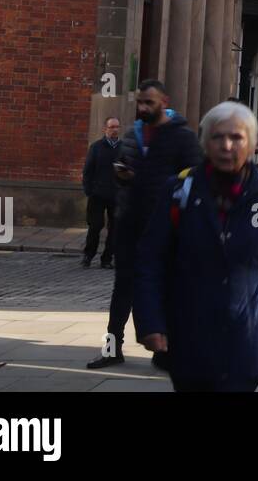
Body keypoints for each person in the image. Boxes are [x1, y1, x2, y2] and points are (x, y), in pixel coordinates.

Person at [135, 101, 258, 392]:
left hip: (246, 335)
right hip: (188, 334)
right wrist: (149, 321)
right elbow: (149, 260)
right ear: (205, 142)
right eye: (218, 137)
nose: (227, 145)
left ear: (252, 143)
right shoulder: (178, 190)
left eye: (236, 137)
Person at [88, 79, 202, 370]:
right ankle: (112, 348)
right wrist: (121, 176)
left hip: (165, 226)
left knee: (166, 289)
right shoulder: (132, 135)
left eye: (148, 102)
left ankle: (165, 350)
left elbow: (195, 179)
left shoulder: (182, 137)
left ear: (164, 101)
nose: (142, 107)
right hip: (129, 223)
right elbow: (122, 171)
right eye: (140, 102)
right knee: (122, 288)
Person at [81, 118, 121, 269]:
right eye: (111, 127)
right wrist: (89, 190)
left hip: (116, 195)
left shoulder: (123, 148)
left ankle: (107, 258)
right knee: (95, 226)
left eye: (117, 127)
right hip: (98, 194)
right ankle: (88, 255)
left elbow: (127, 172)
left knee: (115, 228)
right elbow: (87, 171)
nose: (114, 130)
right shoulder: (97, 147)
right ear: (105, 128)